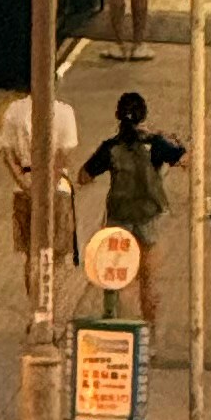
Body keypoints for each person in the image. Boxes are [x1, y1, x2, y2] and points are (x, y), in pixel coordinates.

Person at [78, 88, 184, 330]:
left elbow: (84, 176)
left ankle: (117, 325)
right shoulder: (154, 144)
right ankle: (149, 329)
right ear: (143, 116)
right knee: (148, 279)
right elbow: (184, 158)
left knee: (115, 276)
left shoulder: (111, 147)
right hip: (148, 216)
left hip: (119, 218)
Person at [0, 84, 79, 300]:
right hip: (58, 191)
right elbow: (64, 155)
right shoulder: (64, 112)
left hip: (23, 189)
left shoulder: (14, 110)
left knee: (32, 256)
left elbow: (7, 155)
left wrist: (25, 184)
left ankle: (34, 309)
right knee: (58, 257)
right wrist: (49, 185)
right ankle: (50, 309)